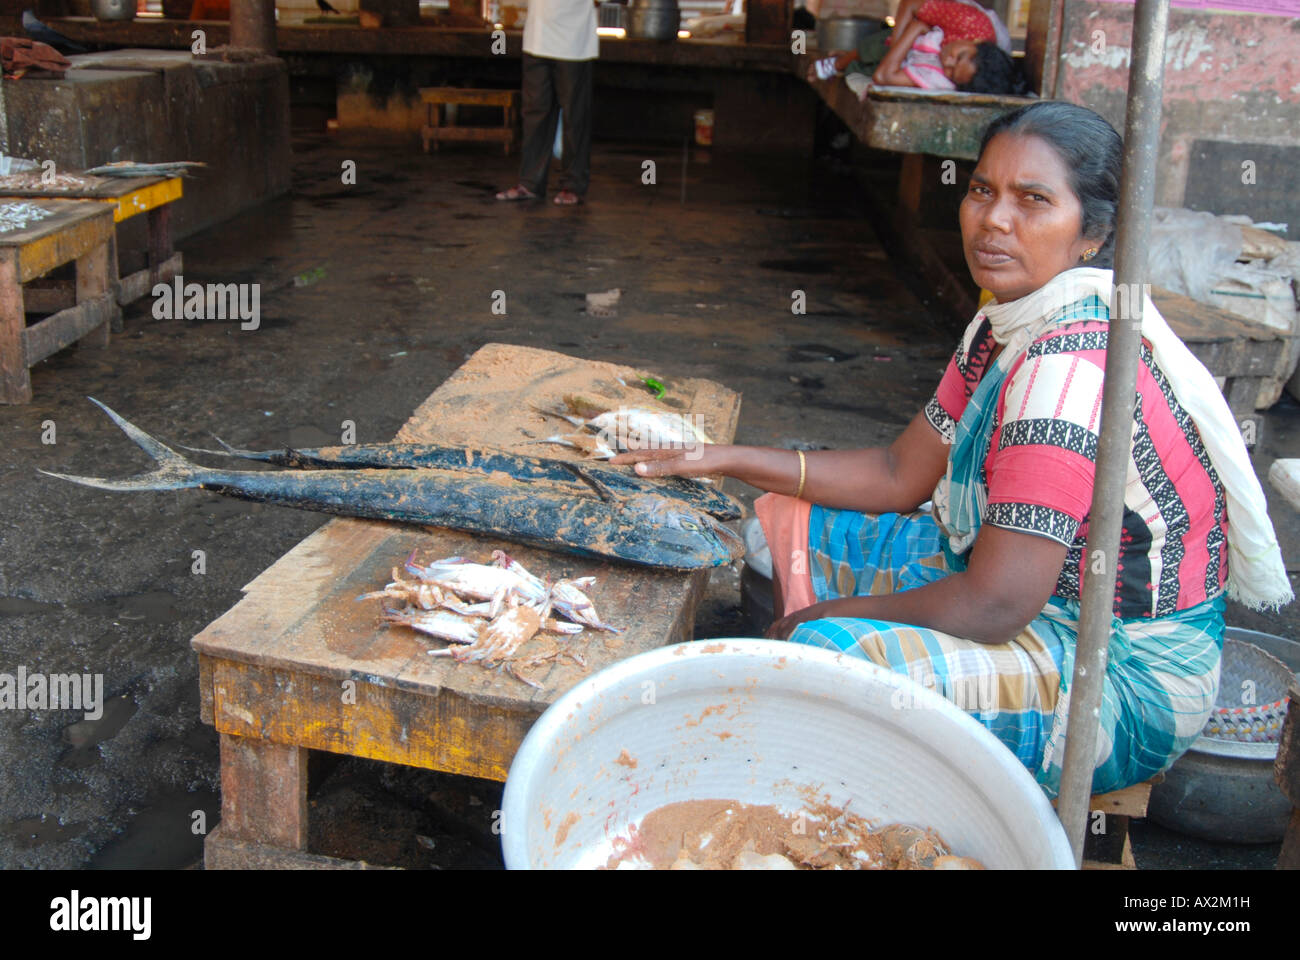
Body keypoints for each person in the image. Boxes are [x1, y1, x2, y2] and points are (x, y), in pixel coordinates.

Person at [613, 101, 1292, 797]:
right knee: (774, 522)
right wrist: (721, 457)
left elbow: (996, 604)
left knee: (825, 660)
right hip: (1022, 590)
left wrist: (830, 617)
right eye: (981, 190)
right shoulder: (1005, 324)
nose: (994, 219)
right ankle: (802, 729)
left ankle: (813, 781)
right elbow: (897, 473)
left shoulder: (1067, 365)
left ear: (1090, 233)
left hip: (1116, 673)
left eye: (1033, 200)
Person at [495, 0, 598, 205]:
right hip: (538, 36)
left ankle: (573, 185)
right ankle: (530, 183)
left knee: (574, 114)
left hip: (574, 40)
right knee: (535, 112)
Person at [808, 0, 1025, 96]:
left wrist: (914, 32)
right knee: (877, 46)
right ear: (977, 42)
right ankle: (837, 62)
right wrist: (898, 43)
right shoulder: (968, 22)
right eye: (959, 57)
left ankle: (845, 61)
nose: (947, 61)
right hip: (916, 32)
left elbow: (882, 76)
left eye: (951, 72)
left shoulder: (964, 77)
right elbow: (910, 4)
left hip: (919, 40)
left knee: (861, 70)